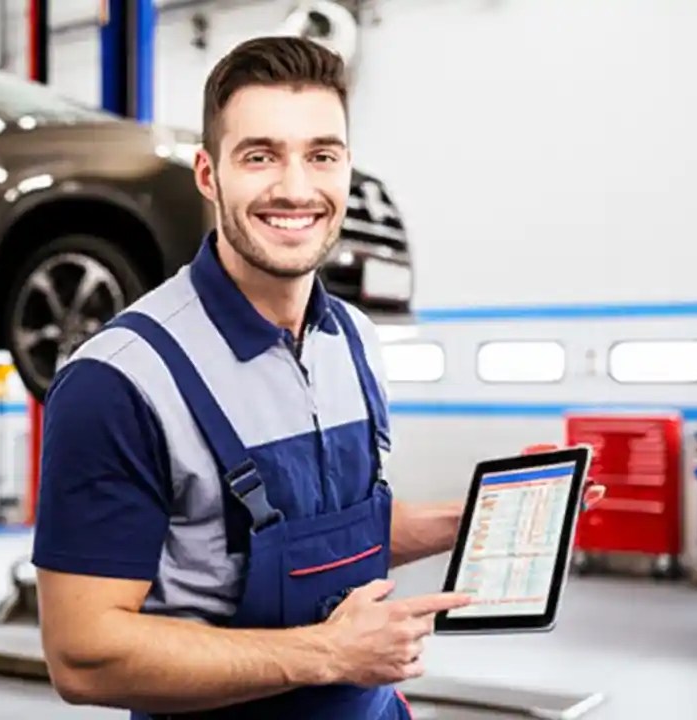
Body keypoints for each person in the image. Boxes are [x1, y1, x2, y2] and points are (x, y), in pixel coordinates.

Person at [31, 36, 471, 719]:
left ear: (347, 169)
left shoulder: (352, 340)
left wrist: (485, 516)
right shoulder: (118, 381)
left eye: (321, 155)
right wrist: (331, 655)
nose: (296, 188)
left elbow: (339, 534)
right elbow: (84, 654)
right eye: (260, 156)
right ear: (208, 176)